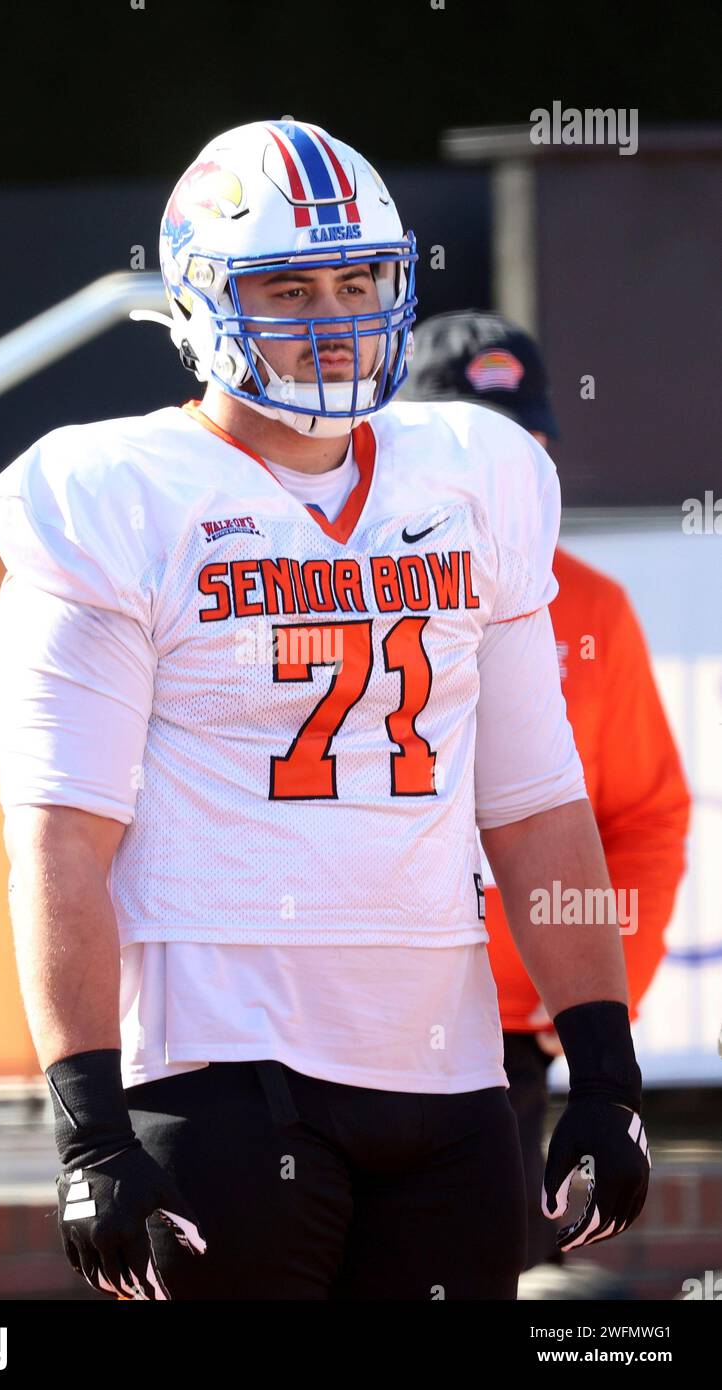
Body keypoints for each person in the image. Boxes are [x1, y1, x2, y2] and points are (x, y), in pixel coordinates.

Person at [0, 120, 650, 1302]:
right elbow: (59, 840)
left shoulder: (470, 475)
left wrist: (603, 1069)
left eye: (359, 281)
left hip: (447, 1078)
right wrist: (88, 1128)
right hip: (222, 1070)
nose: (331, 316)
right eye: (284, 286)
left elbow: (539, 806)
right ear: (197, 303)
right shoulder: (117, 499)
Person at [402, 310, 690, 1280]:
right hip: (333, 1026)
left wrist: (585, 1001)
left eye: (518, 442)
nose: (496, 469)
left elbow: (646, 817)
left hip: (506, 1048)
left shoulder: (592, 608)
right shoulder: (329, 588)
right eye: (468, 441)